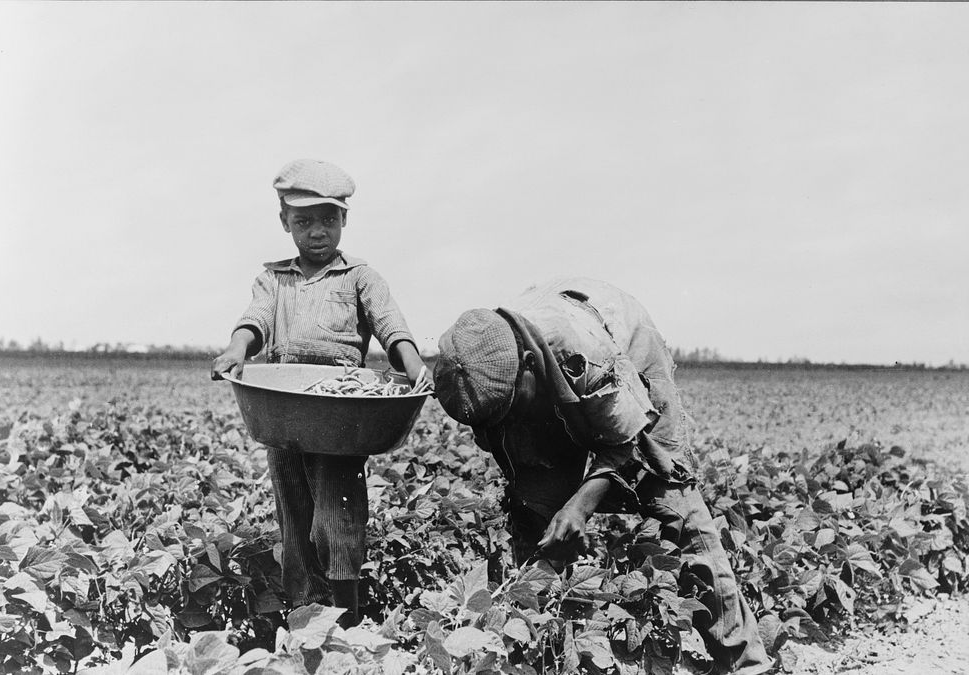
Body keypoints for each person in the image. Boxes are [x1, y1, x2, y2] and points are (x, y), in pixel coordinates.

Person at [432, 278, 772, 674]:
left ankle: (745, 659)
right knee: (534, 512)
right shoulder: (473, 376)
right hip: (541, 374)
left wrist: (580, 506)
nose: (504, 422)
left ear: (527, 366)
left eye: (509, 407)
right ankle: (540, 641)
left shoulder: (586, 357)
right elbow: (517, 458)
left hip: (619, 343)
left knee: (672, 500)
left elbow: (626, 438)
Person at [211, 158, 428, 626]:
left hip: (340, 417)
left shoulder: (360, 278)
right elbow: (257, 318)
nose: (317, 231)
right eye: (304, 220)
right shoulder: (275, 279)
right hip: (286, 413)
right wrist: (236, 349)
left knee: (336, 522)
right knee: (294, 520)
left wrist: (413, 364)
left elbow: (391, 327)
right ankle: (303, 621)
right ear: (284, 220)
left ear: (344, 219)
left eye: (328, 219)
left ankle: (346, 624)